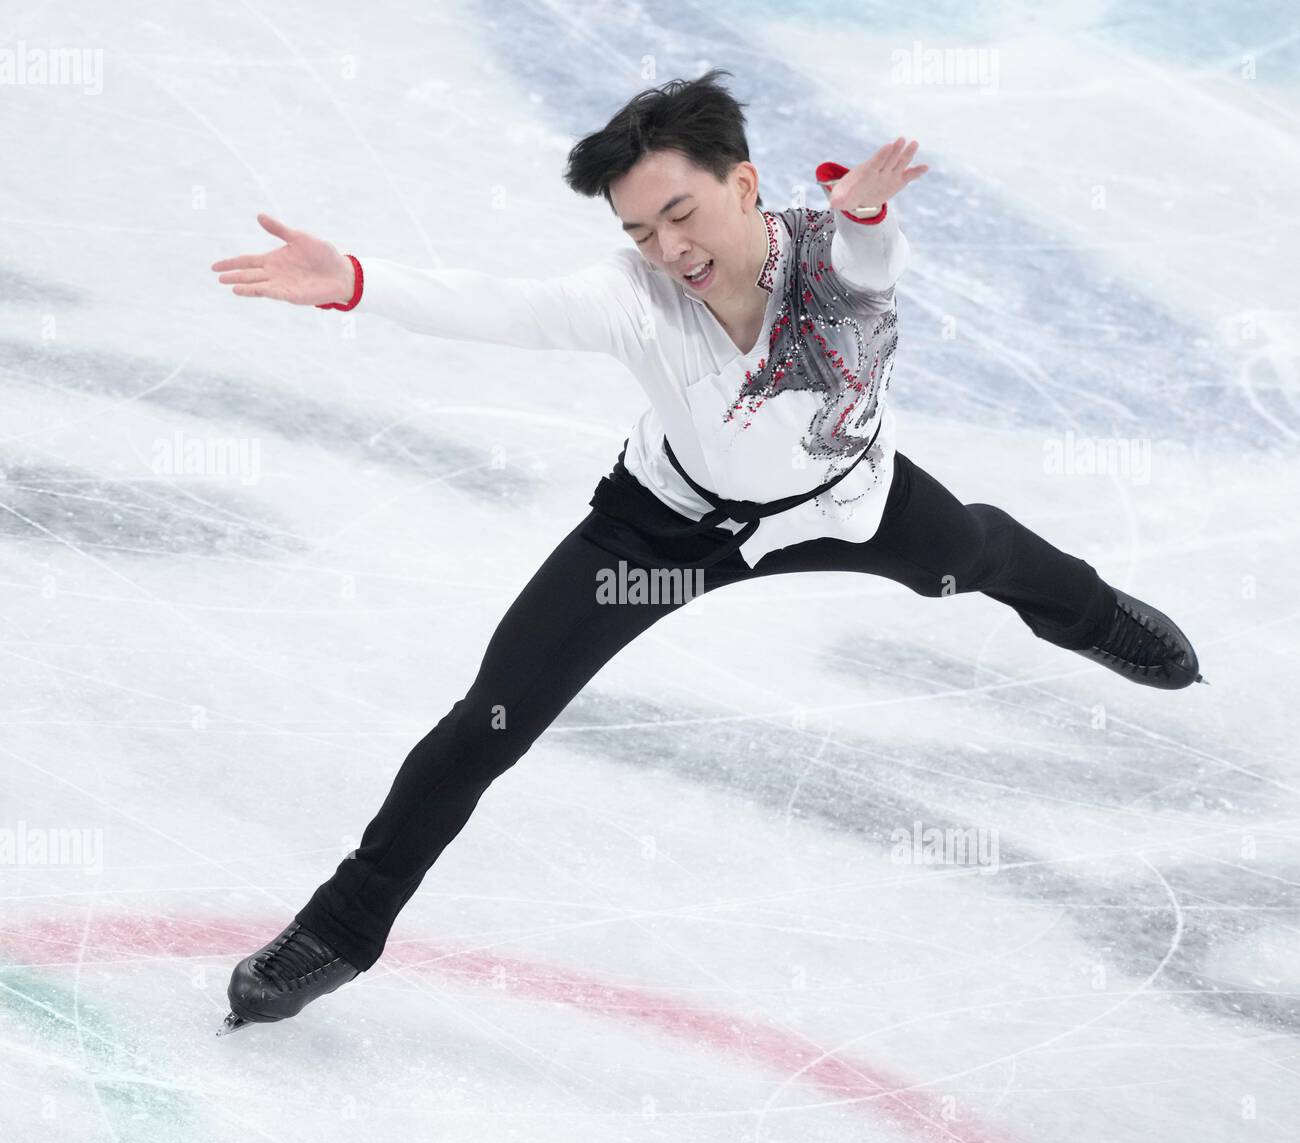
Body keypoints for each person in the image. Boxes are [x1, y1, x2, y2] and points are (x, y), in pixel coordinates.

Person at [209, 70, 1202, 1034]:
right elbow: (500, 307)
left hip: (843, 502)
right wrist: (353, 282)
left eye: (680, 214)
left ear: (742, 182)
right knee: (493, 718)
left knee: (966, 558)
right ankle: (339, 928)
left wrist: (855, 215)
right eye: (640, 230)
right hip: (666, 532)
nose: (666, 247)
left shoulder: (826, 257)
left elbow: (867, 253)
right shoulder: (628, 296)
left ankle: (1093, 615)